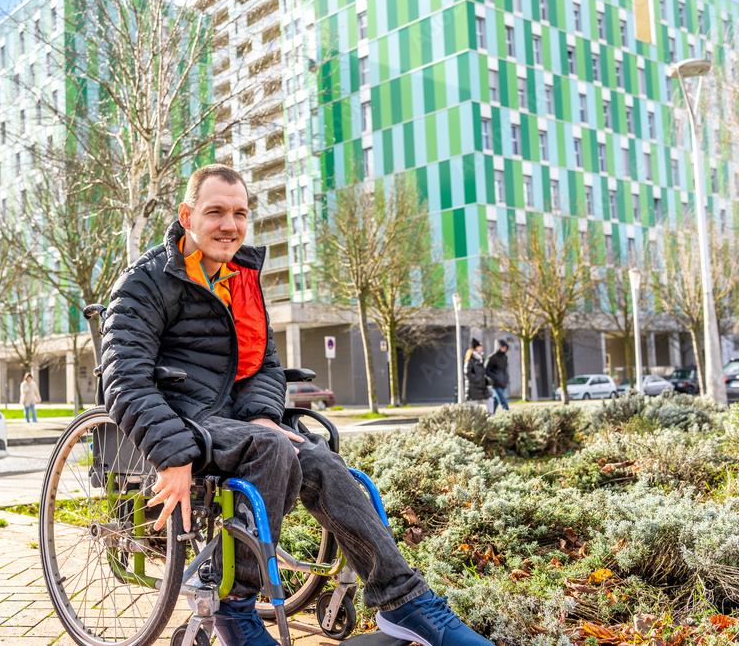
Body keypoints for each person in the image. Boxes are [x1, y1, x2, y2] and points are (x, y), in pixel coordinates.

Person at [100, 164, 491, 646]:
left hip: (238, 420)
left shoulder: (241, 277)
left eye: (240, 213)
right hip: (180, 418)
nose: (230, 225)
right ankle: (234, 609)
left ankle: (403, 600)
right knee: (272, 447)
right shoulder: (144, 282)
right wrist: (172, 454)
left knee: (322, 460)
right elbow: (124, 379)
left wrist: (264, 411)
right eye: (216, 211)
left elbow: (264, 362)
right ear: (187, 215)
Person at [465, 339, 493, 412]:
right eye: (479, 346)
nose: (481, 348)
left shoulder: (480, 359)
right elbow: (467, 372)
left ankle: (489, 418)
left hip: (482, 386)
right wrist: (477, 379)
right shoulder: (470, 360)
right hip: (473, 386)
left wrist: (485, 380)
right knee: (473, 407)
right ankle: (474, 421)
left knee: (490, 401)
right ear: (475, 347)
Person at [485, 339, 510, 413]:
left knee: (495, 401)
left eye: (506, 347)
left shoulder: (504, 357)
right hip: (494, 384)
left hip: (502, 382)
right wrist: (494, 377)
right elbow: (486, 370)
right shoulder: (491, 358)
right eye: (503, 347)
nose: (504, 349)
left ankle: (489, 415)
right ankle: (508, 415)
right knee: (503, 401)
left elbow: (504, 369)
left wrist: (506, 378)